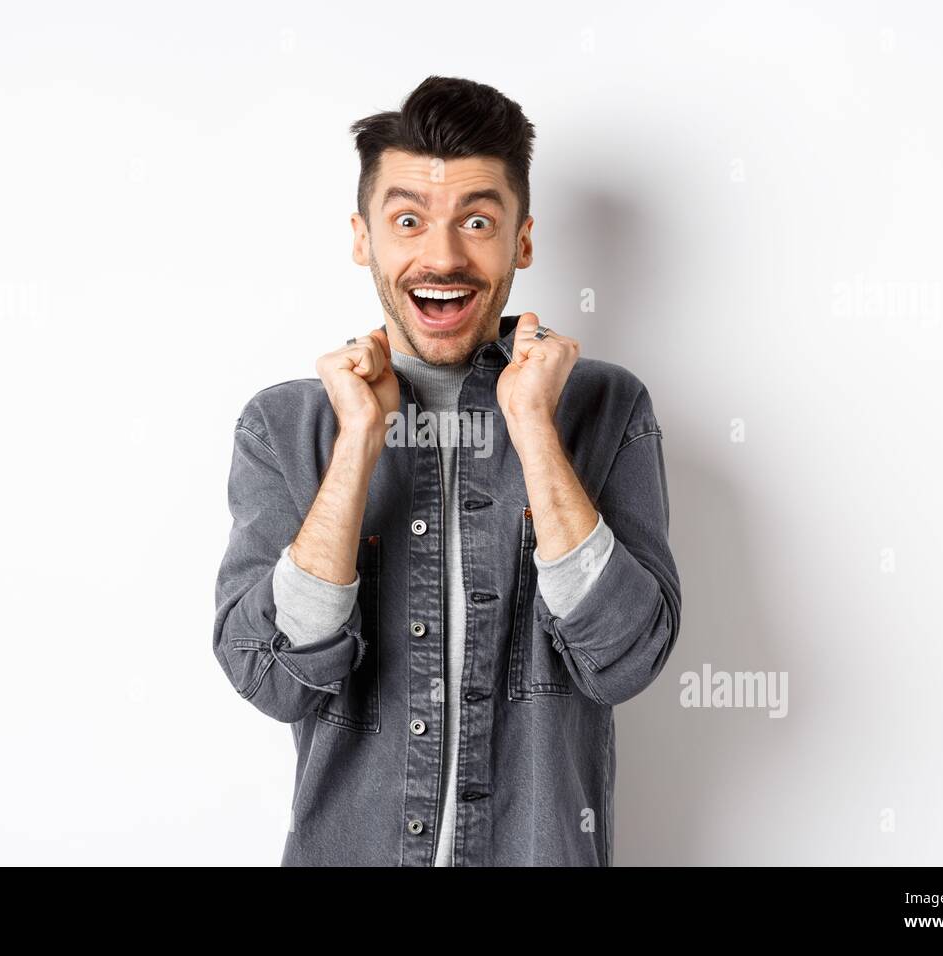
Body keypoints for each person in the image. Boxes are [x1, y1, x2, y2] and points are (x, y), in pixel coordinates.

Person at [212, 75, 681, 866]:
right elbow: (273, 679)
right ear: (363, 238)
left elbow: (625, 660)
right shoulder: (285, 427)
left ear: (521, 242)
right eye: (407, 220)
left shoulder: (606, 407)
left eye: (475, 221)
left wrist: (531, 424)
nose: (442, 255)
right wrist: (358, 442)